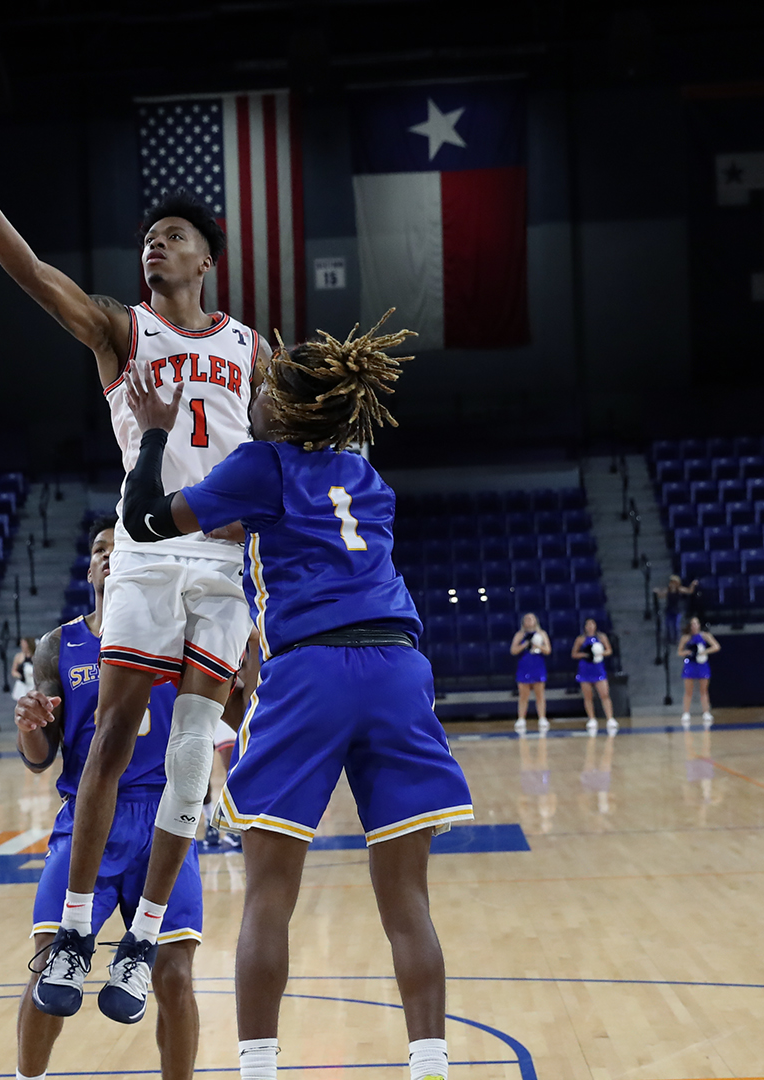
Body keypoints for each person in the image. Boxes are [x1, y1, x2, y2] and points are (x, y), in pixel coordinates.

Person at [0, 79, 261, 1021]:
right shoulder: (121, 327)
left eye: (176, 236)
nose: (158, 243)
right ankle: (73, 931)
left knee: (193, 754)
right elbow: (29, 270)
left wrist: (261, 512)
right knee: (109, 737)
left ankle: (140, 941)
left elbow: (281, 455)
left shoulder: (249, 346)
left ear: (207, 261)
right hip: (146, 551)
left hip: (223, 564)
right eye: (151, 237)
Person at [115, 313, 475, 1080]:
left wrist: (152, 432)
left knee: (269, 896)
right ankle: (432, 1067)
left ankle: (258, 1069)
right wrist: (291, 398)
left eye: (266, 385)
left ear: (288, 409)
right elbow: (301, 498)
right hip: (399, 669)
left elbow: (147, 522)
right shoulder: (365, 477)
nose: (253, 388)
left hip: (313, 671)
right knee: (407, 898)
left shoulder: (260, 464)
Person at [12, 521, 202, 1066]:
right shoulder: (59, 645)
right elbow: (40, 757)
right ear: (91, 568)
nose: (110, 558)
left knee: (173, 975)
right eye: (100, 550)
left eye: (123, 549)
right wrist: (29, 724)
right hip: (88, 819)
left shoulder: (182, 637)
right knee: (51, 966)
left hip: (165, 821)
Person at [571, 618, 617, 737]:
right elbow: (574, 654)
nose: (590, 627)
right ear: (585, 627)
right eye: (588, 625)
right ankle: (591, 719)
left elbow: (609, 650)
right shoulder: (580, 639)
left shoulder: (602, 637)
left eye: (592, 624)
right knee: (588, 696)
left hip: (598, 668)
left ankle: (610, 718)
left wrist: (599, 653)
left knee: (604, 694)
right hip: (586, 668)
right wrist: (586, 654)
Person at [509, 614, 550, 735]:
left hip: (538, 664)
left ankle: (542, 718)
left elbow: (548, 650)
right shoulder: (520, 635)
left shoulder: (542, 633)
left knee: (540, 694)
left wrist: (537, 645)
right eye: (526, 619)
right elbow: (513, 650)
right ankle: (521, 719)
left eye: (531, 618)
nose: (529, 621)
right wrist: (525, 644)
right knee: (523, 695)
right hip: (525, 665)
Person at [677, 617, 720, 729]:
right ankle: (686, 713)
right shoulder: (686, 638)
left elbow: (716, 646)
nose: (694, 626)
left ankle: (706, 712)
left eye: (696, 623)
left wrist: (704, 652)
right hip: (690, 664)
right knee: (688, 691)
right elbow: (679, 652)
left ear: (699, 625)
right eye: (692, 624)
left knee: (704, 690)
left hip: (702, 664)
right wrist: (686, 652)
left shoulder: (705, 636)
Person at [654, 575, 699, 655]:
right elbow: (661, 595)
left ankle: (675, 639)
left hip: (677, 610)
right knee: (667, 624)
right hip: (669, 610)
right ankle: (668, 638)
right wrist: (657, 592)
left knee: (675, 625)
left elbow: (689, 591)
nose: (673, 585)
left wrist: (692, 585)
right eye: (672, 583)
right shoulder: (668, 590)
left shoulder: (679, 590)